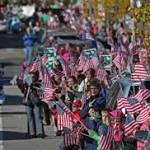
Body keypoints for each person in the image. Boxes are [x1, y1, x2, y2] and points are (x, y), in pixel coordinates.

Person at [17, 71, 45, 138]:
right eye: (30, 76)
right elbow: (21, 89)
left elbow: (41, 91)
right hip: (28, 102)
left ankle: (39, 132)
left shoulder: (38, 83)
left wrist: (34, 86)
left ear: (36, 77)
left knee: (38, 117)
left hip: (36, 102)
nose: (32, 78)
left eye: (33, 76)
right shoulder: (26, 85)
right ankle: (32, 133)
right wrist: (19, 81)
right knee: (30, 117)